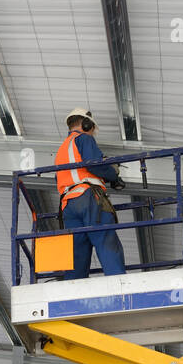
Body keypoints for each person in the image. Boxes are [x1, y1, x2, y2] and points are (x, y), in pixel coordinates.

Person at [54, 108, 126, 279]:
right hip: (88, 197)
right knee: (105, 238)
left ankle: (73, 289)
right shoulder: (84, 138)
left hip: (68, 204)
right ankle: (119, 283)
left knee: (77, 251)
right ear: (87, 124)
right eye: (93, 129)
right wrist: (113, 173)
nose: (93, 133)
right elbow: (93, 164)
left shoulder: (62, 150)